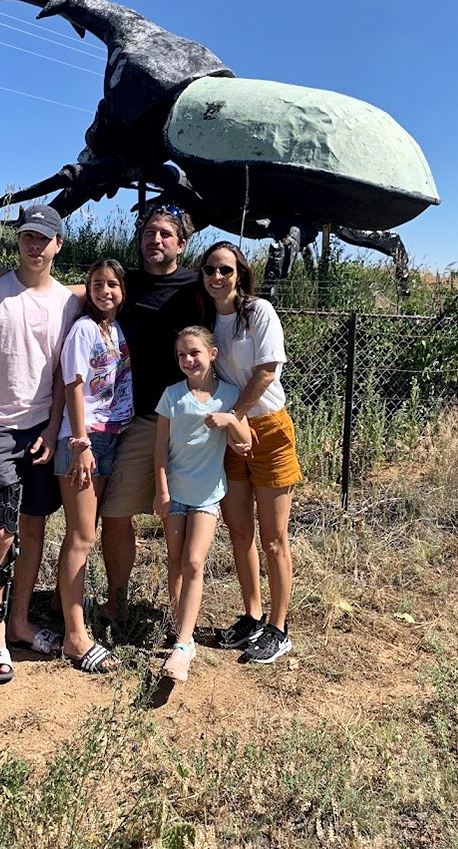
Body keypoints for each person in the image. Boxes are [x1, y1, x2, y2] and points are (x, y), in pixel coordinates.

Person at [0, 204, 81, 684]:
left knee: (32, 530)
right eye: (28, 236)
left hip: (41, 432)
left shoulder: (69, 303)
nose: (35, 245)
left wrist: (53, 430)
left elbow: (60, 373)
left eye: (43, 238)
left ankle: (21, 622)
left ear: (57, 245)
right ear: (20, 240)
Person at [199, 241, 302, 664]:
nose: (216, 277)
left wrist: (236, 416)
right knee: (240, 532)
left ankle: (280, 628)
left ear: (239, 273)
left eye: (225, 269)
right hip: (232, 433)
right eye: (209, 269)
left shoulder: (257, 312)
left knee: (274, 539)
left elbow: (266, 371)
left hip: (267, 428)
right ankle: (253, 615)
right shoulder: (207, 320)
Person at [99, 204, 199, 623]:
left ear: (181, 242)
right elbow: (85, 290)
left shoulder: (197, 288)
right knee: (116, 513)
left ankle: (180, 619)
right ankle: (117, 603)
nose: (154, 240)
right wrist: (12, 279)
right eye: (148, 232)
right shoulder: (129, 284)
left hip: (189, 422)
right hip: (140, 420)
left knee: (182, 521)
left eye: (164, 234)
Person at [154, 326, 251, 681]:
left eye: (194, 352)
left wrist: (228, 419)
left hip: (208, 493)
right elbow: (159, 449)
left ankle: (181, 646)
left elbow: (246, 439)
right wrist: (161, 490)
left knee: (195, 561)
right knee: (176, 562)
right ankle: (186, 632)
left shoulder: (229, 394)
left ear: (212, 354)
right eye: (181, 354)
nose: (187, 360)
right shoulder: (172, 396)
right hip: (175, 493)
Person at [54, 259, 133, 673]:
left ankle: (61, 603)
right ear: (87, 290)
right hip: (83, 440)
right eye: (97, 284)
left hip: (110, 435)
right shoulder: (84, 329)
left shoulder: (115, 330)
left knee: (90, 529)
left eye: (114, 284)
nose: (105, 290)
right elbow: (75, 385)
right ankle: (75, 636)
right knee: (82, 535)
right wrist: (81, 442)